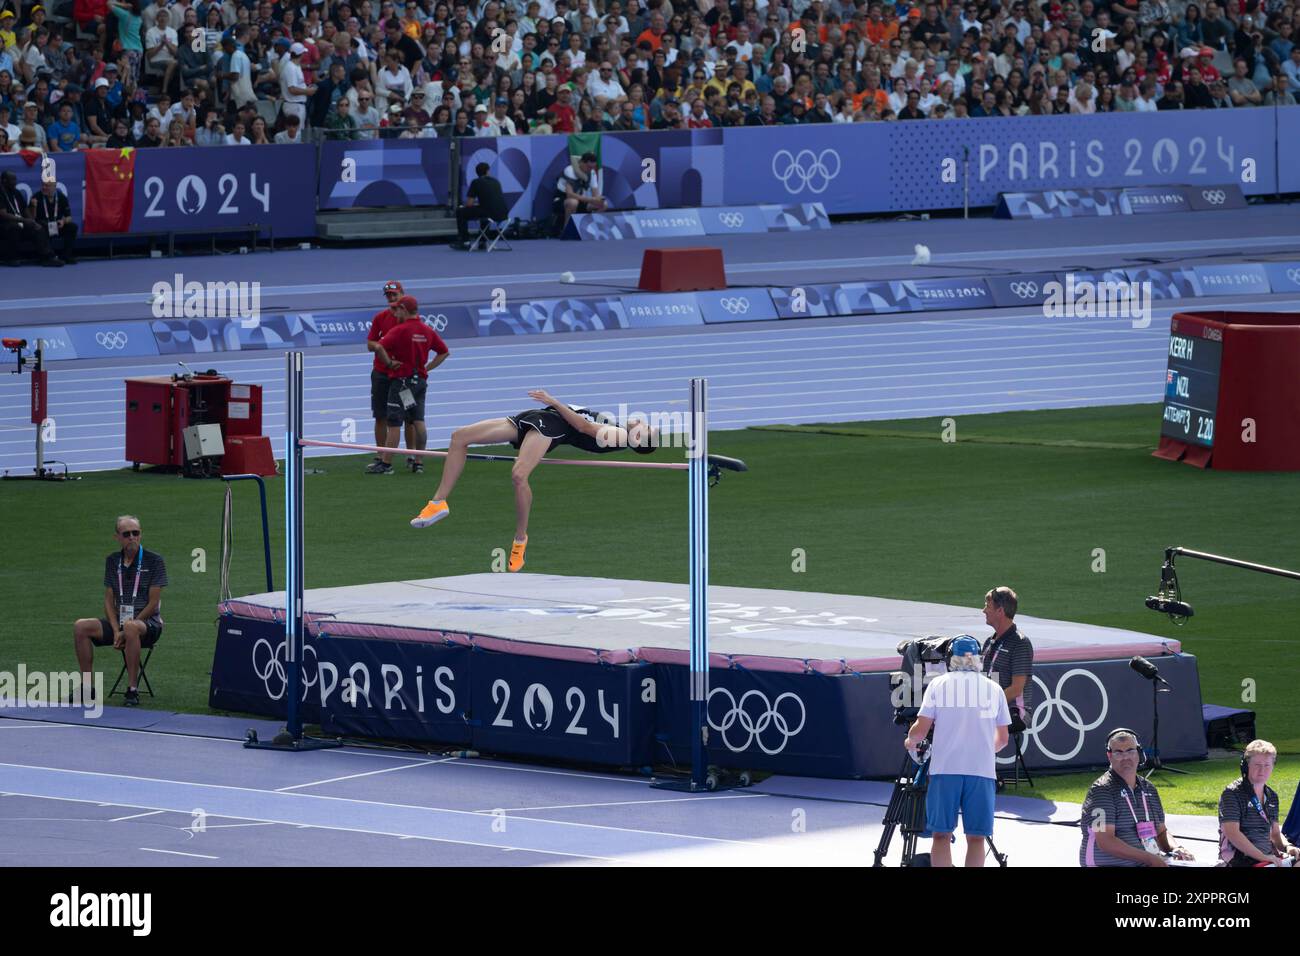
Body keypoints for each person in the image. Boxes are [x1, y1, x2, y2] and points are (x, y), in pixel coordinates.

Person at [408, 391, 659, 573]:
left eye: (646, 429)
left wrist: (554, 401)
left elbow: (582, 426)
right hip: (539, 417)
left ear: (638, 441)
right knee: (459, 437)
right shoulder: (618, 430)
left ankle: (520, 540)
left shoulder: (618, 436)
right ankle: (438, 502)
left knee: (519, 475)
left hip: (551, 424)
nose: (642, 422)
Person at [903, 635, 1010, 867]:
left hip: (945, 771)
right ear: (977, 658)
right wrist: (979, 749)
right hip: (981, 772)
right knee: (977, 839)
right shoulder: (994, 689)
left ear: (951, 658)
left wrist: (910, 741)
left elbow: (920, 731)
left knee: (940, 835)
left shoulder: (938, 684)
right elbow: (1002, 740)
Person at [72, 515, 168, 707]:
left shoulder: (154, 560)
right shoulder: (112, 561)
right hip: (120, 623)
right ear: (118, 537)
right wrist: (117, 631)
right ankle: (87, 687)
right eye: (126, 534)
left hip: (148, 624)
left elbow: (153, 603)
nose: (132, 537)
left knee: (132, 627)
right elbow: (108, 600)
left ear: (141, 535)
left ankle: (132, 690)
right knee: (81, 626)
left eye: (136, 533)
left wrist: (126, 629)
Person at [1080, 729, 1196, 866]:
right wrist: (1149, 858)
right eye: (1118, 752)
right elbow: (1105, 841)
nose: (1125, 757)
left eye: (1130, 750)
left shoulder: (1149, 788)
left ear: (1139, 753)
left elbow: (1161, 831)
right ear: (1109, 756)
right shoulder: (1101, 791)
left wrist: (1176, 848)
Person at [369, 295, 451, 474]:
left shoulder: (400, 330)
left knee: (394, 423)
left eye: (397, 309)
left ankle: (386, 464)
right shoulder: (426, 330)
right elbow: (444, 352)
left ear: (404, 310)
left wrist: (389, 364)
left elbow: (378, 347)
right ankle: (418, 461)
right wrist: (426, 368)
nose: (395, 312)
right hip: (419, 381)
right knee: (418, 420)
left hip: (402, 383)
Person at [1218, 739, 1300, 866]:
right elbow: (1232, 833)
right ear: (1246, 765)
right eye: (1257, 765)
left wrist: (1288, 847)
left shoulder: (1272, 796)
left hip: (1267, 859)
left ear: (1273, 766)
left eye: (1267, 765)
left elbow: (1275, 834)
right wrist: (1263, 857)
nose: (1262, 770)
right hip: (1240, 860)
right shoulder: (1231, 793)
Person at [366, 280, 414, 472]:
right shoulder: (380, 317)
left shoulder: (411, 320)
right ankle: (381, 456)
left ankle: (413, 455)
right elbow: (370, 343)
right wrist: (381, 349)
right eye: (389, 296)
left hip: (404, 377)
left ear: (402, 294)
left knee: (410, 416)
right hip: (382, 375)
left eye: (395, 294)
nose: (392, 299)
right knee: (380, 416)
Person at [980, 586, 1032, 743]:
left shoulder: (1020, 643)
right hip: (992, 708)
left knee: (972, 724)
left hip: (1015, 711)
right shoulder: (989, 642)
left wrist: (986, 705)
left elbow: (1016, 689)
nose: (983, 610)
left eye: (988, 606)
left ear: (1000, 611)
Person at [0, 170, 61, 266]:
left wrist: (32, 221)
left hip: (21, 222)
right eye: (12, 180)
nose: (15, 182)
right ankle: (11, 258)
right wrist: (24, 220)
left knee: (39, 227)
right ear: (4, 181)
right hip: (4, 225)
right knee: (13, 227)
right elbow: (3, 214)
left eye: (15, 179)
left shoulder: (16, 192)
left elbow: (25, 210)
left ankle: (47, 257)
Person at [452, 161, 507, 250]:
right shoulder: (496, 181)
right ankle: (482, 242)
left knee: (460, 212)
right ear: (488, 171)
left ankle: (465, 242)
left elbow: (469, 204)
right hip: (503, 213)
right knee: (484, 211)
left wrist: (464, 206)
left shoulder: (476, 182)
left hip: (489, 213)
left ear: (477, 173)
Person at [552, 150, 607, 233]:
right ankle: (567, 230)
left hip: (581, 200)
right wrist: (591, 200)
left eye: (593, 167)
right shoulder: (569, 171)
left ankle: (589, 227)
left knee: (603, 204)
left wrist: (599, 199)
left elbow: (595, 194)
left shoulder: (591, 173)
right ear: (581, 163)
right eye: (588, 167)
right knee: (573, 202)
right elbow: (569, 194)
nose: (590, 170)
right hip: (562, 199)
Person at [31, 179, 76, 264]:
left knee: (72, 227)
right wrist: (34, 207)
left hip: (57, 226)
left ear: (54, 187)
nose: (44, 187)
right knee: (41, 225)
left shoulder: (61, 197)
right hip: (43, 227)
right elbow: (32, 218)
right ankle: (48, 257)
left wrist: (63, 221)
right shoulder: (36, 197)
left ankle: (66, 255)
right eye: (43, 185)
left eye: (47, 186)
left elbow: (69, 217)